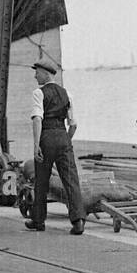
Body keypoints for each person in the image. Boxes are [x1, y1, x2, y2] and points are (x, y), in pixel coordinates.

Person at [25, 60, 86, 235]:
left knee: (42, 181)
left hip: (47, 136)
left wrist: (37, 144)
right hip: (63, 136)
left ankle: (38, 221)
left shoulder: (39, 93)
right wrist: (66, 140)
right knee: (71, 180)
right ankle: (78, 221)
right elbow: (73, 124)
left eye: (37, 72)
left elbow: (37, 119)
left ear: (45, 73)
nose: (35, 75)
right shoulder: (67, 94)